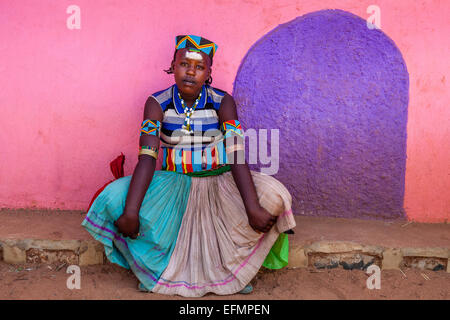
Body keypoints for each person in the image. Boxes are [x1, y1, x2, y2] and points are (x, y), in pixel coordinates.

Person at [82, 35, 296, 297]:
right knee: (114, 198)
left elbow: (236, 155)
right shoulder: (157, 103)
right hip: (173, 183)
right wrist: (131, 211)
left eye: (199, 67)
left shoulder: (222, 102)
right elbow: (147, 157)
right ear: (173, 65)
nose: (191, 72)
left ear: (208, 73)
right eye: (184, 64)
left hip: (220, 181)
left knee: (275, 195)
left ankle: (238, 272)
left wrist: (252, 207)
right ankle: (154, 270)